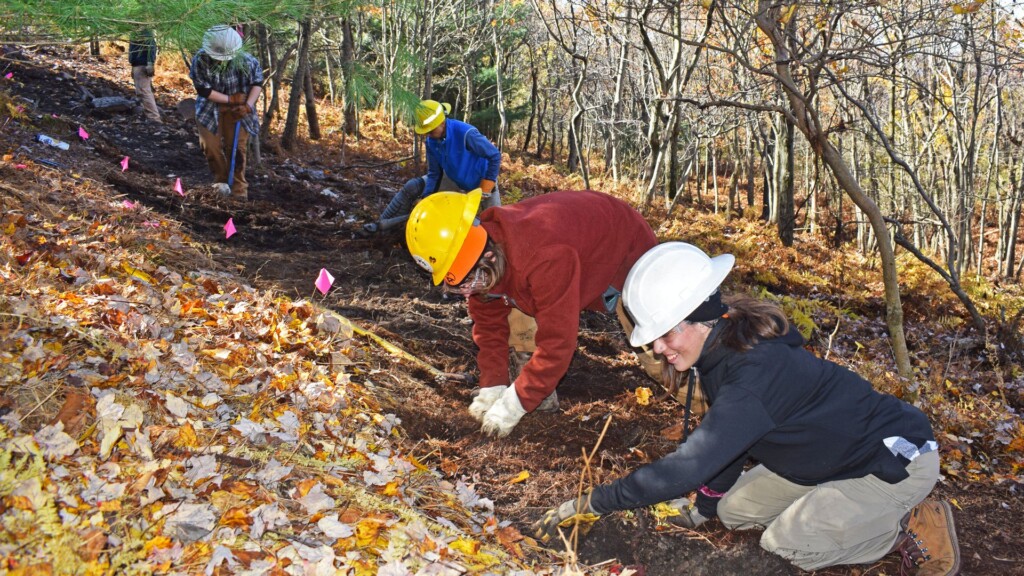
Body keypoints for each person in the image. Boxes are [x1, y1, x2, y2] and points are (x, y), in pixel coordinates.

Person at [531, 242, 960, 576]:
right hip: (822, 463)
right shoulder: (721, 349)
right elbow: (728, 445)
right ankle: (831, 503)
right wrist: (703, 509)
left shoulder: (752, 373)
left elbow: (690, 464)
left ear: (701, 320)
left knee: (784, 544)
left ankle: (907, 525)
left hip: (890, 460)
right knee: (732, 513)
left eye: (665, 334)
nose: (657, 349)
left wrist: (598, 501)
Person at [405, 189, 658, 437]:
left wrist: (511, 407)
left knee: (664, 352)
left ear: (488, 257)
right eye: (458, 285)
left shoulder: (543, 257)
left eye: (468, 282)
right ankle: (538, 393)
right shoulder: (482, 254)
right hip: (561, 255)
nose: (466, 293)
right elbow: (489, 328)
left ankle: (699, 416)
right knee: (511, 307)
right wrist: (492, 386)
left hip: (625, 250)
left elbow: (558, 342)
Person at [363, 100, 501, 234]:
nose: (428, 134)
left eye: (430, 130)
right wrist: (426, 198)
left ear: (441, 122)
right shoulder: (432, 141)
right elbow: (435, 172)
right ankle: (382, 226)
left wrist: (487, 184)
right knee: (413, 186)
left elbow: (494, 155)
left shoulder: (466, 134)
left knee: (495, 224)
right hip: (452, 178)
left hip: (482, 180)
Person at [189, 25, 263, 201]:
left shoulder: (248, 61)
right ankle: (222, 184)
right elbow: (203, 90)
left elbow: (257, 84)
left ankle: (238, 191)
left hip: (239, 111)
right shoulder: (200, 60)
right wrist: (231, 99)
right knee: (210, 147)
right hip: (209, 109)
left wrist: (247, 106)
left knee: (236, 150)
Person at [128, 29, 162, 124]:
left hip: (143, 65)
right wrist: (132, 67)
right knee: (140, 92)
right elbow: (132, 51)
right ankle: (148, 115)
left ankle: (154, 118)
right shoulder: (134, 32)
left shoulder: (145, 31)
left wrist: (150, 63)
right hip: (137, 64)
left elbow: (151, 46)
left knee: (145, 91)